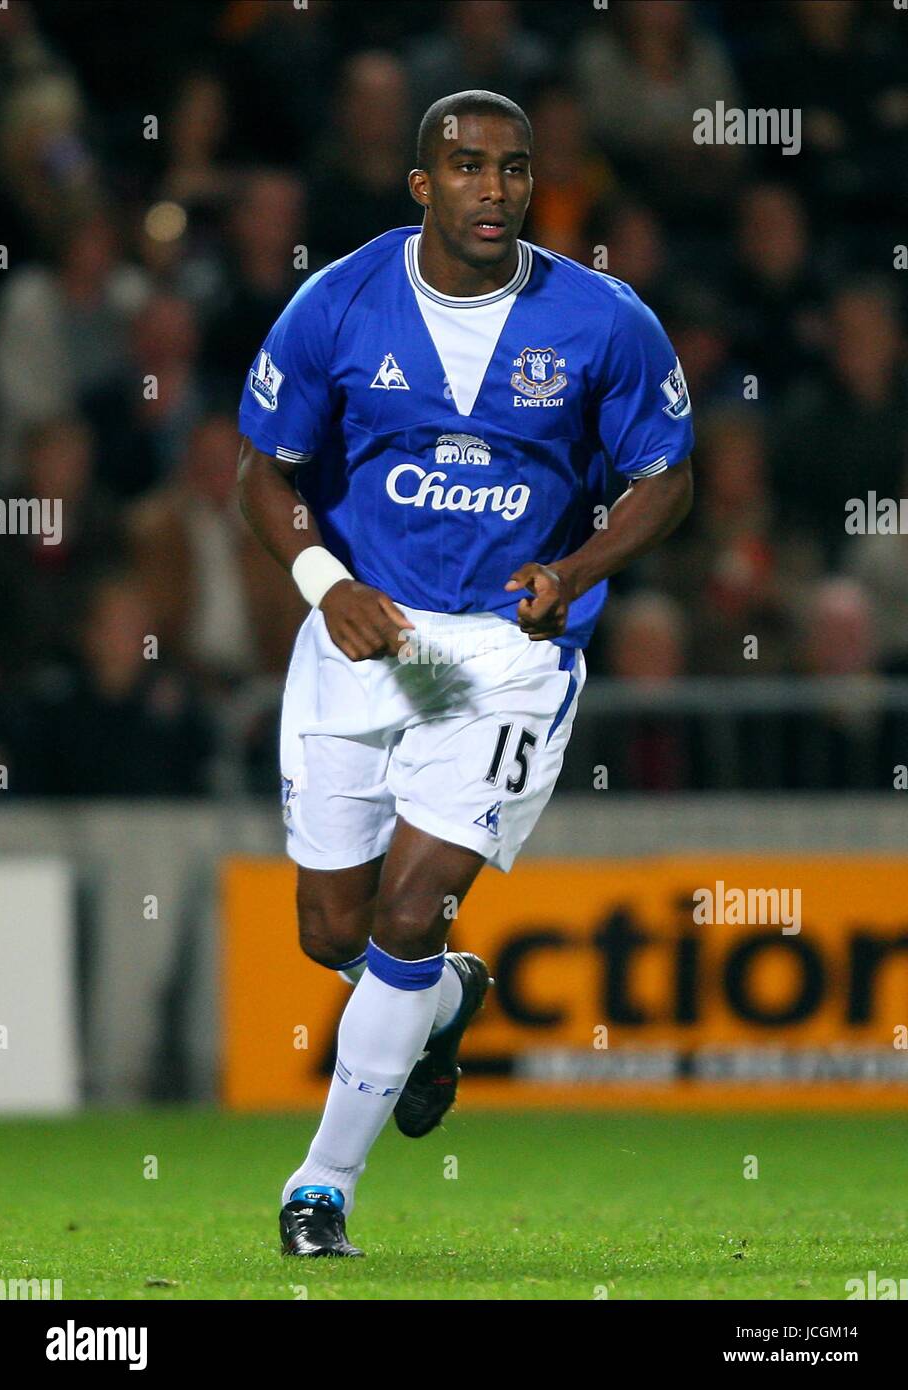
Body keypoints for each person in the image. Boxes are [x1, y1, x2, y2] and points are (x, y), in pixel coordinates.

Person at [237, 90, 694, 1258]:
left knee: (407, 905)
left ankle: (320, 1186)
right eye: (468, 166)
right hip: (368, 640)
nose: (494, 189)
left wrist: (577, 566)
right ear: (422, 184)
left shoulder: (602, 321)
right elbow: (264, 471)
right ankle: (445, 996)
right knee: (331, 930)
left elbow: (667, 476)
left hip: (506, 656)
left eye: (514, 169)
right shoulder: (335, 301)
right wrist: (321, 583)